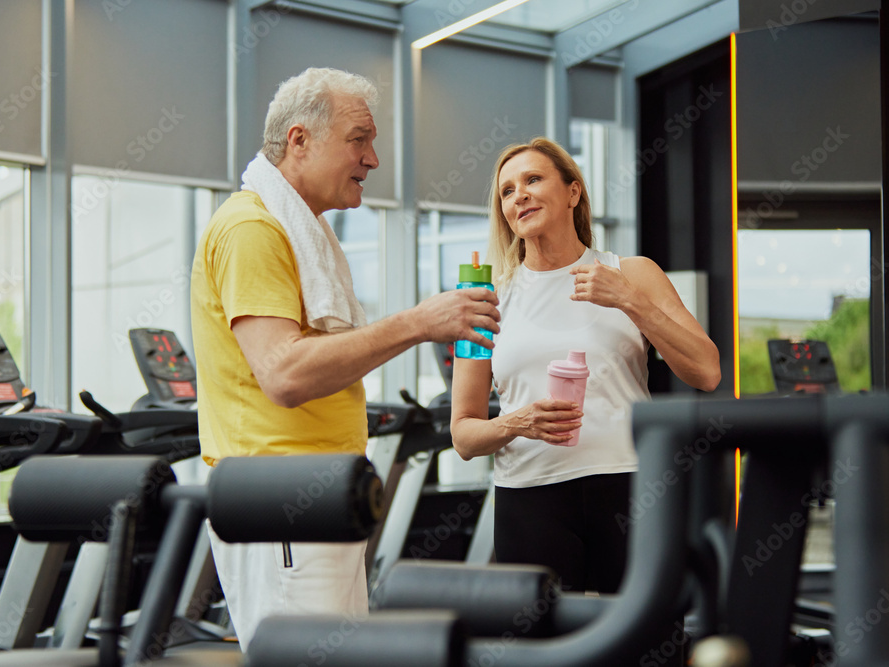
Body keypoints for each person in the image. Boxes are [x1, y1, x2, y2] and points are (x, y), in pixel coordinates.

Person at [189, 67, 501, 649]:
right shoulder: (253, 229)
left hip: (322, 495)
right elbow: (282, 373)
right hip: (284, 501)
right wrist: (417, 323)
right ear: (299, 140)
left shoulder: (298, 230)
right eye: (359, 139)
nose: (373, 159)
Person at [450, 137, 720, 594]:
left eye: (533, 179)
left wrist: (630, 301)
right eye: (508, 191)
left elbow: (706, 371)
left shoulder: (632, 273)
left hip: (630, 487)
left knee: (646, 643)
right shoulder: (488, 300)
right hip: (531, 495)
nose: (520, 196)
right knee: (545, 648)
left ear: (572, 192)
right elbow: (463, 434)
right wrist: (518, 422)